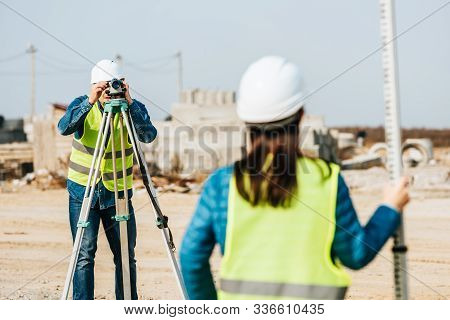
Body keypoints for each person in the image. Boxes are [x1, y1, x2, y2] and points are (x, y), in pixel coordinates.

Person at [180, 56, 410, 300]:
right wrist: (389, 208)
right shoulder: (326, 180)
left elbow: (191, 257)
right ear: (300, 116)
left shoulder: (223, 184)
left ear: (246, 120)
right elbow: (355, 253)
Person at [58, 59, 157, 300]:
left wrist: (130, 103)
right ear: (94, 86)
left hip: (117, 194)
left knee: (125, 255)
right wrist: (91, 100)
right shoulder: (83, 105)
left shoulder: (131, 108)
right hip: (84, 192)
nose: (109, 92)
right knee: (84, 256)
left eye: (114, 86)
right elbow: (64, 127)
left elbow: (148, 135)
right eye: (104, 87)